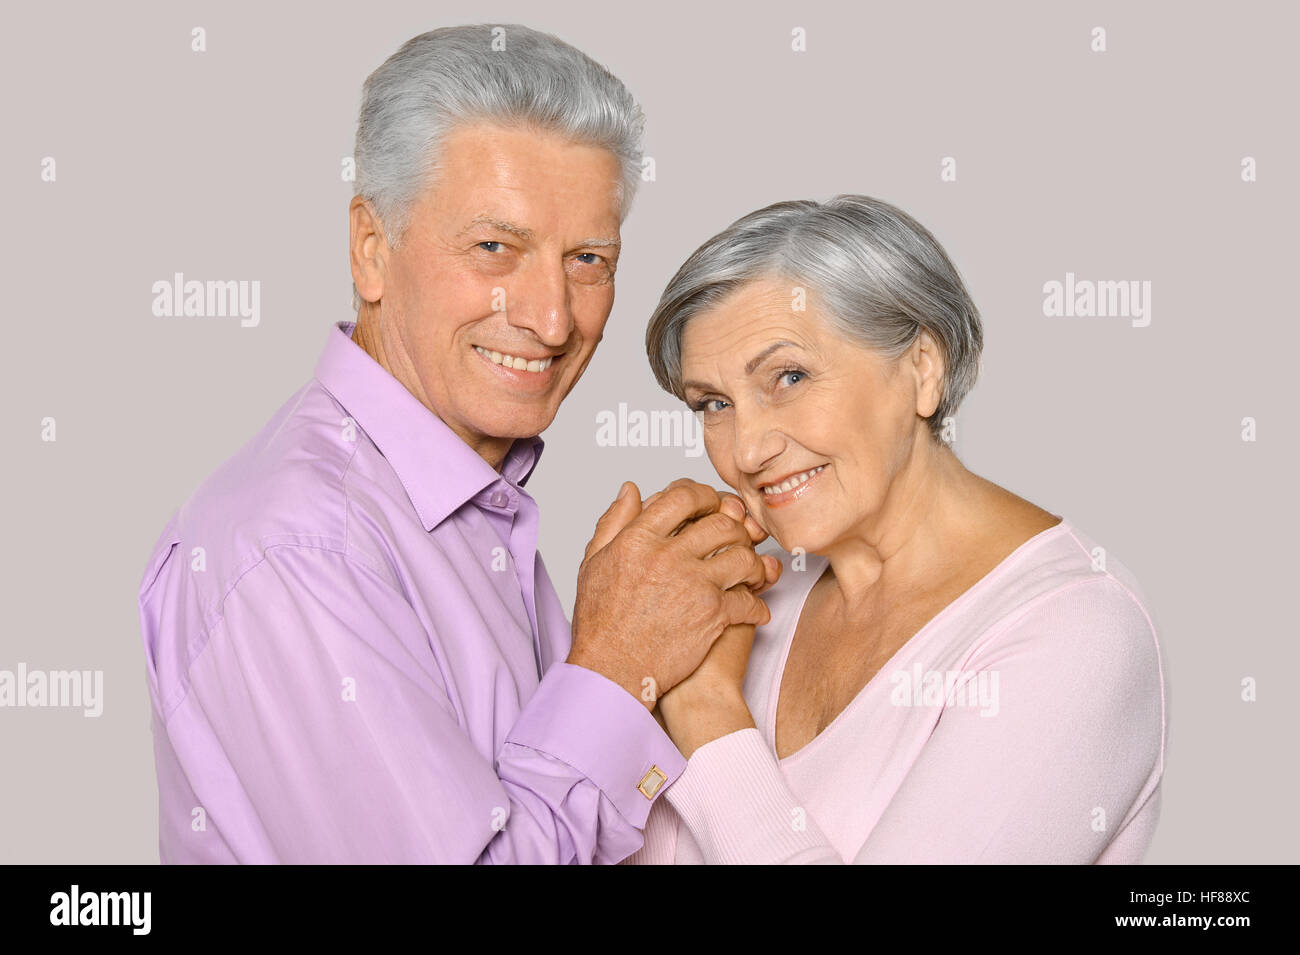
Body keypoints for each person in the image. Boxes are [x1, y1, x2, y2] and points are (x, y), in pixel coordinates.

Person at [136, 24, 778, 864]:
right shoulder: (299, 547)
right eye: (494, 248)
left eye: (588, 258)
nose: (553, 318)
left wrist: (659, 671)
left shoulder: (464, 501)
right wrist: (621, 664)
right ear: (372, 249)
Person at [626, 194, 1168, 864]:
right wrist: (616, 662)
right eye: (713, 403)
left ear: (922, 368)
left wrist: (706, 710)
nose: (746, 449)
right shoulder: (741, 599)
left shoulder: (1076, 632)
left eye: (788, 376)